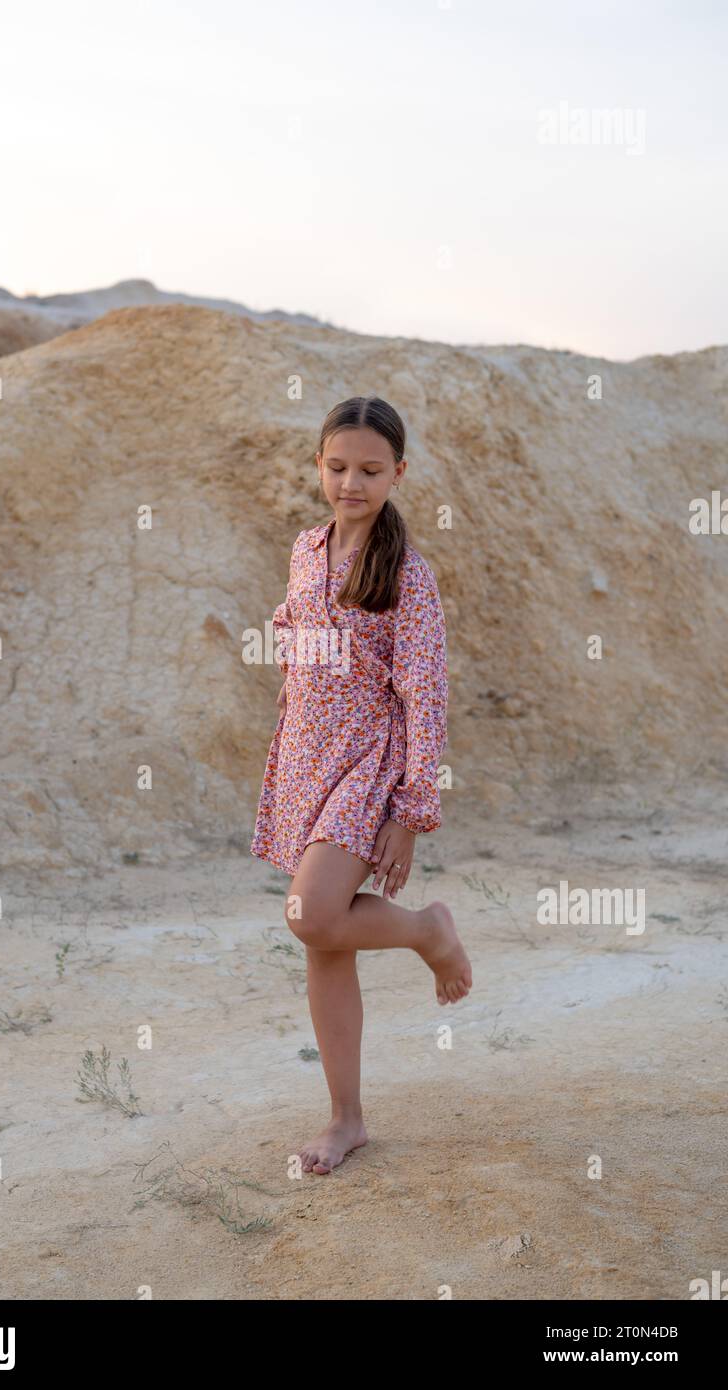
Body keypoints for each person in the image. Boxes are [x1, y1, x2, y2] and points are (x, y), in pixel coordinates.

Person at [250, 395, 472, 1175]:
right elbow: (295, 635)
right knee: (325, 938)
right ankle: (345, 1120)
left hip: (367, 763)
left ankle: (426, 930)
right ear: (319, 465)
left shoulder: (409, 575)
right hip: (307, 754)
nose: (352, 482)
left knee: (311, 916)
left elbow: (425, 691)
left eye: (370, 470)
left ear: (398, 473)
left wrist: (410, 812)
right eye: (338, 467)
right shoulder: (306, 549)